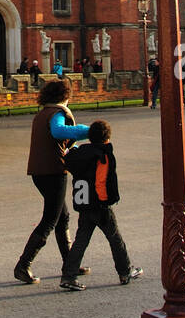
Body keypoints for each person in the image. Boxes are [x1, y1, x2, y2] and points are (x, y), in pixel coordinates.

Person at [14, 78, 90, 285]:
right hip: (52, 170)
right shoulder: (57, 113)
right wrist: (88, 131)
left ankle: (70, 262)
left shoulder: (42, 113)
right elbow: (59, 131)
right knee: (50, 220)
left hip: (40, 171)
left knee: (62, 217)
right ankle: (23, 264)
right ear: (65, 96)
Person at [60, 119, 143, 291]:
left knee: (80, 241)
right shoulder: (102, 155)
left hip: (84, 203)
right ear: (106, 138)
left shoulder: (79, 154)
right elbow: (101, 180)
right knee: (115, 239)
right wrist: (105, 202)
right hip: (99, 204)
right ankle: (125, 271)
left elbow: (68, 159)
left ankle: (68, 276)